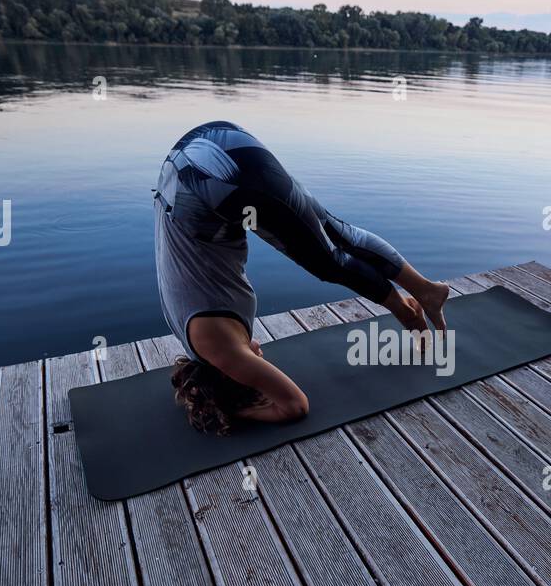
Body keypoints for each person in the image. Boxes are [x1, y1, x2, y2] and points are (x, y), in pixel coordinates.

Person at [154, 121, 449, 434]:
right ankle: (426, 290)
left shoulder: (224, 351)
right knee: (335, 232)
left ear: (231, 377)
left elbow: (294, 406)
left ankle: (407, 309)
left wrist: (233, 412)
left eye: (251, 375)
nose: (262, 358)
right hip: (201, 150)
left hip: (217, 179)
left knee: (330, 263)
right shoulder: (188, 330)